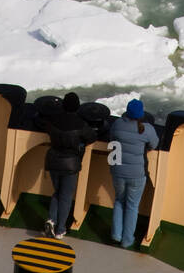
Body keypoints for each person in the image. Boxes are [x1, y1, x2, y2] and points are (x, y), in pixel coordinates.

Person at [40, 92, 97, 238]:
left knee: (57, 192)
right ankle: (60, 230)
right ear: (77, 107)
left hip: (53, 161)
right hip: (70, 164)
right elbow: (91, 137)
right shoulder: (80, 123)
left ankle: (51, 219)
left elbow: (46, 128)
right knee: (65, 196)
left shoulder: (54, 120)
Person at [107, 99, 159, 249]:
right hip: (137, 173)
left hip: (117, 170)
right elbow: (153, 144)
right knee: (132, 206)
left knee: (118, 201)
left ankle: (116, 235)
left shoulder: (117, 124)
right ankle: (127, 240)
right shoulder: (147, 129)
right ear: (141, 114)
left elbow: (112, 140)